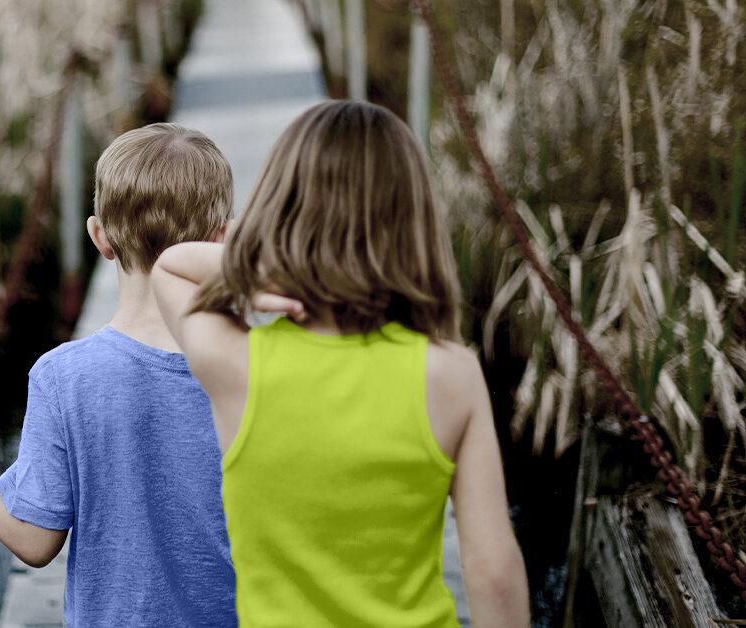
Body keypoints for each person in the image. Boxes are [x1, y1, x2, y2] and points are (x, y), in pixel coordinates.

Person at [151, 101, 530, 627]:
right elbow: (493, 573)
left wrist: (255, 272)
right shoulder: (451, 374)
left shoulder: (237, 362)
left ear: (278, 215)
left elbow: (170, 267)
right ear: (412, 223)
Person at [0, 122, 238, 626]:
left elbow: (34, 540)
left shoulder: (65, 377)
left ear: (99, 236)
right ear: (223, 237)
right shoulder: (253, 365)